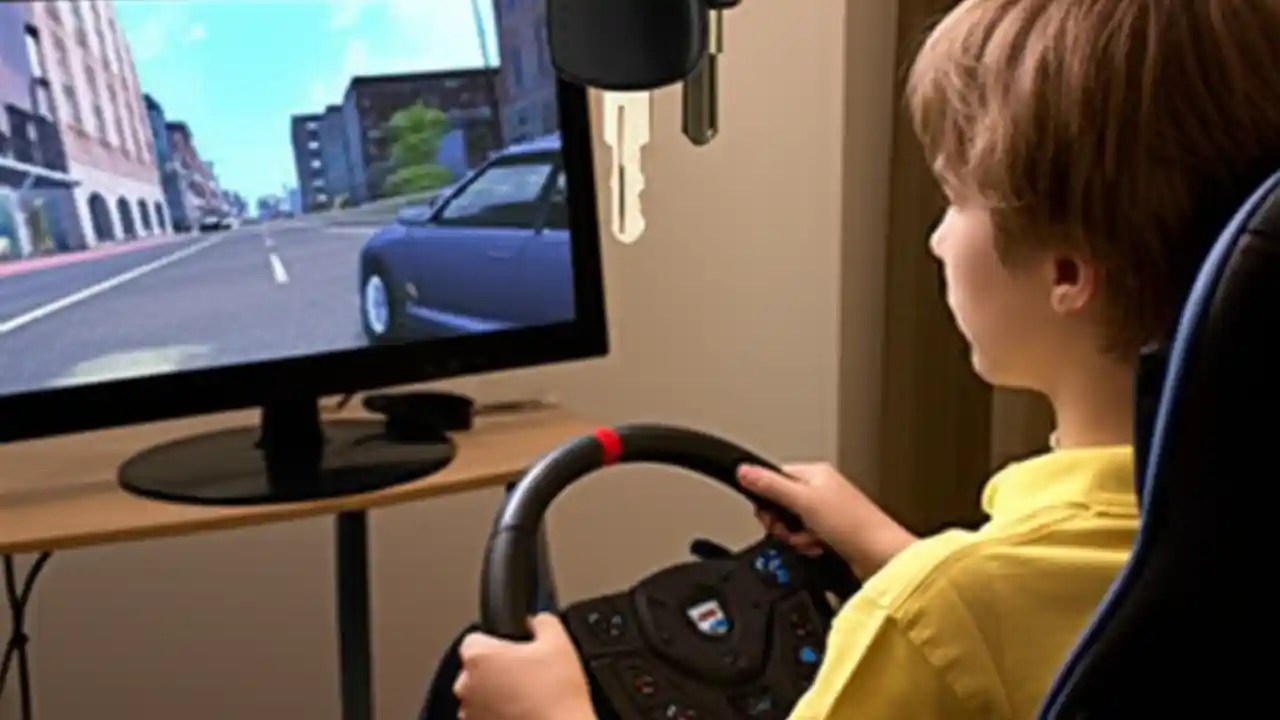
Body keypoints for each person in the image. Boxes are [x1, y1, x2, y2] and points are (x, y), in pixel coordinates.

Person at [450, 0, 1280, 718]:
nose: (937, 238)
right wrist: (891, 549)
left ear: (1066, 272)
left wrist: (552, 712)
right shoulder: (1209, 534)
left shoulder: (930, 619)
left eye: (954, 200)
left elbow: (968, 629)